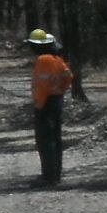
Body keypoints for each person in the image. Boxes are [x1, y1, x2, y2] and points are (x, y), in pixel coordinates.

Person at [26, 28, 74, 184]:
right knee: (55, 139)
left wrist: (39, 104)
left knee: (44, 141)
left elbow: (42, 85)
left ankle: (48, 176)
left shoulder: (43, 60)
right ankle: (55, 174)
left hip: (45, 104)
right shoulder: (57, 59)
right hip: (56, 101)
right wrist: (60, 91)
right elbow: (68, 76)